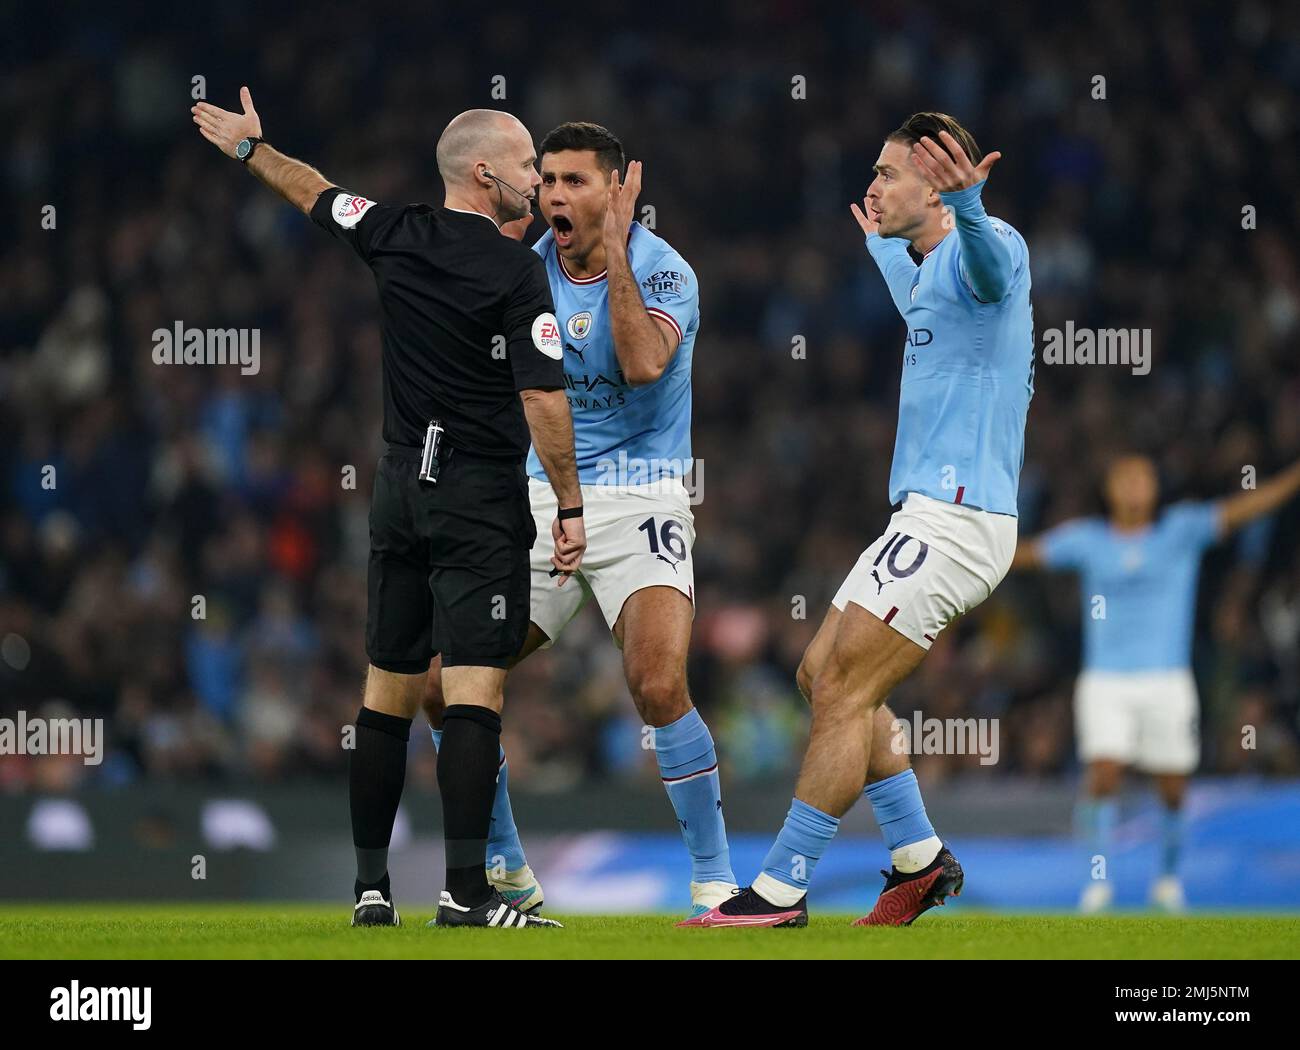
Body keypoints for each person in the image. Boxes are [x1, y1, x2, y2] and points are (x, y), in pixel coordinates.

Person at [191, 90, 585, 929]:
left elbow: (313, 191)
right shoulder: (517, 271)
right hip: (477, 495)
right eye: (525, 167)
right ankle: (466, 892)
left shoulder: (392, 232)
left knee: (386, 697)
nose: (537, 183)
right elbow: (545, 399)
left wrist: (251, 151)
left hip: (399, 490)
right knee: (475, 697)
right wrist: (572, 503)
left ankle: (372, 889)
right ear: (485, 174)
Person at [686, 112, 1034, 928]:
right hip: (922, 512)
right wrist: (884, 242)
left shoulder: (995, 245)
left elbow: (983, 273)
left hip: (960, 516)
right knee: (819, 676)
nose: (871, 186)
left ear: (936, 187)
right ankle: (920, 859)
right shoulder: (919, 264)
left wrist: (973, 208)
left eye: (885, 173)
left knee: (843, 687)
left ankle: (780, 889)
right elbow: (930, 291)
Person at [423, 122, 737, 919]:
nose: (555, 195)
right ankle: (505, 868)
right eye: (549, 180)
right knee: (440, 682)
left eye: (575, 182)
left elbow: (639, 364)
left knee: (658, 682)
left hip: (643, 494)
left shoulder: (667, 273)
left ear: (617, 187)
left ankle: (716, 881)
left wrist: (622, 251)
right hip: (542, 492)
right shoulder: (524, 271)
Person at [1012, 453, 1300, 912]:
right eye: (1123, 477)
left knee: (1172, 787)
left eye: (1141, 477)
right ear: (1109, 490)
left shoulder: (1180, 531)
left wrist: (1291, 478)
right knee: (1103, 774)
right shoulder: (1088, 539)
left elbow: (1243, 508)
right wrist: (965, 545)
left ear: (1154, 487)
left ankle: (1167, 881)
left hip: (1167, 680)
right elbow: (1025, 554)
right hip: (1106, 681)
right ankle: (1098, 884)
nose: (1133, 485)